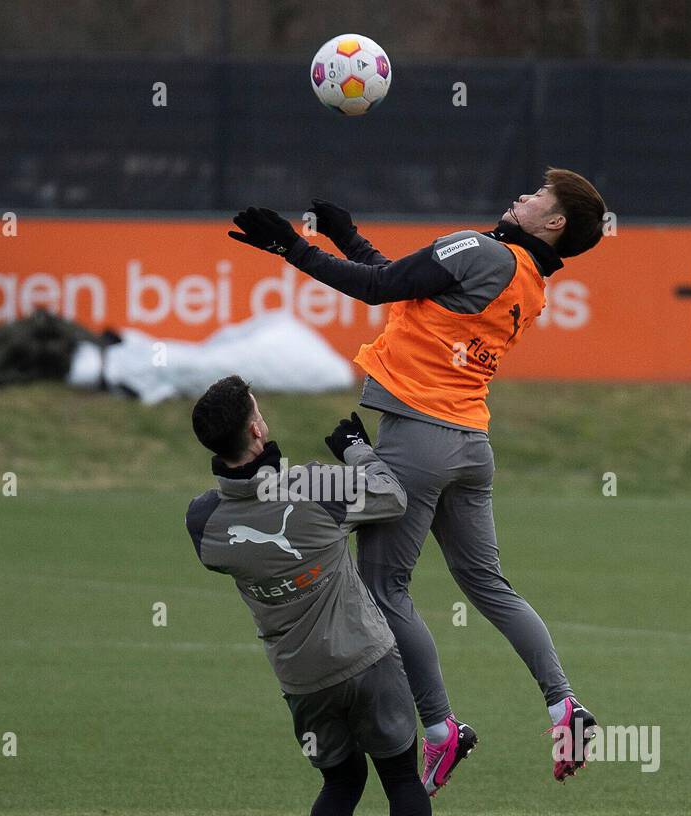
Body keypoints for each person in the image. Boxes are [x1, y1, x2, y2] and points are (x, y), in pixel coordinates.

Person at [227, 169, 605, 782]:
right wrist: (348, 237)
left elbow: (379, 288)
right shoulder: (529, 281)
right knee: (488, 585)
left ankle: (439, 727)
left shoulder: (483, 249)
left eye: (538, 195)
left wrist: (290, 249)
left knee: (385, 589)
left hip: (418, 440)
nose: (524, 195)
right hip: (470, 444)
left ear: (554, 222)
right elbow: (405, 285)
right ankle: (564, 701)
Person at [186, 375, 462, 816]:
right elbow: (391, 495)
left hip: (303, 684)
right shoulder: (314, 487)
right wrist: (356, 450)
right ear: (258, 429)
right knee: (402, 781)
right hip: (369, 659)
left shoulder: (204, 522)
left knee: (340, 783)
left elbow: (235, 512)